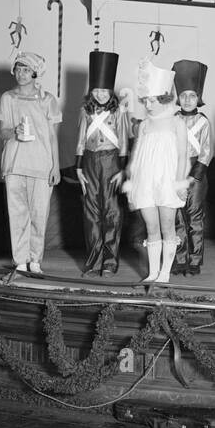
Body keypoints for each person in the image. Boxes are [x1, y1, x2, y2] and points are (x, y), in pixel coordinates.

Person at [122, 60, 189, 287]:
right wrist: (131, 180)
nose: (148, 105)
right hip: (146, 179)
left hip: (168, 180)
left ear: (164, 99)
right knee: (150, 227)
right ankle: (152, 272)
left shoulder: (177, 122)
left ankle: (165, 273)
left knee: (167, 226)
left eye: (153, 100)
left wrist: (180, 184)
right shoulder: (144, 125)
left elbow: (182, 155)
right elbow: (136, 155)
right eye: (146, 100)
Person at [0, 50, 62, 278]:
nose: (21, 74)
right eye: (18, 69)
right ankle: (20, 260)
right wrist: (13, 131)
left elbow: (53, 136)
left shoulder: (47, 99)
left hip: (41, 165)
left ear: (35, 73)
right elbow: (1, 132)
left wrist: (55, 167)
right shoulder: (7, 98)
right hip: (15, 164)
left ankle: (35, 259)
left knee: (39, 214)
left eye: (26, 70)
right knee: (17, 214)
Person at [74, 50, 131, 277]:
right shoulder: (84, 111)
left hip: (111, 163)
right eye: (96, 90)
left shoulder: (119, 111)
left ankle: (110, 260)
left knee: (112, 212)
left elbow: (125, 142)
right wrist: (78, 168)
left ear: (111, 91)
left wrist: (123, 170)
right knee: (91, 212)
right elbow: (80, 140)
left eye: (105, 91)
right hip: (88, 162)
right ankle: (93, 259)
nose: (100, 95)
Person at [171, 60, 213, 276]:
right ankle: (179, 258)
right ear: (178, 98)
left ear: (199, 98)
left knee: (194, 216)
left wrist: (194, 176)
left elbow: (207, 150)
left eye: (192, 96)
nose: (187, 100)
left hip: (196, 173)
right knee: (177, 216)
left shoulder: (203, 121)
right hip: (175, 171)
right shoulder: (171, 119)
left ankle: (194, 260)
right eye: (184, 95)